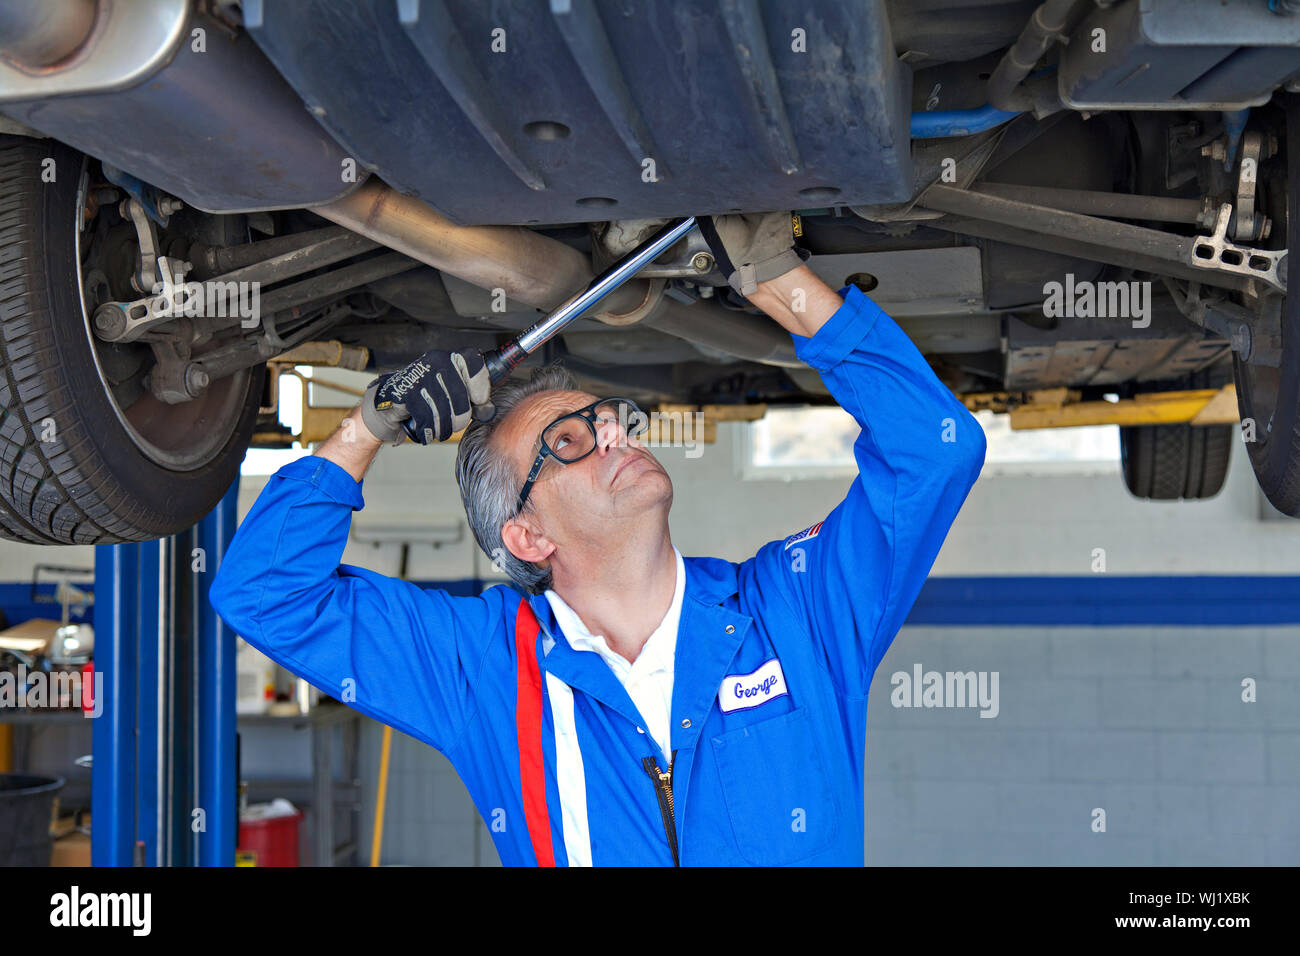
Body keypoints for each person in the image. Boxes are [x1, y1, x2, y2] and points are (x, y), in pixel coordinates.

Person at [209, 213, 986, 866]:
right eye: (573, 441)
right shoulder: (483, 668)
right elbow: (264, 594)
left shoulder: (795, 610)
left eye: (609, 419)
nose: (613, 435)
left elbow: (936, 447)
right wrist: (366, 426)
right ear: (527, 534)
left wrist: (771, 275)